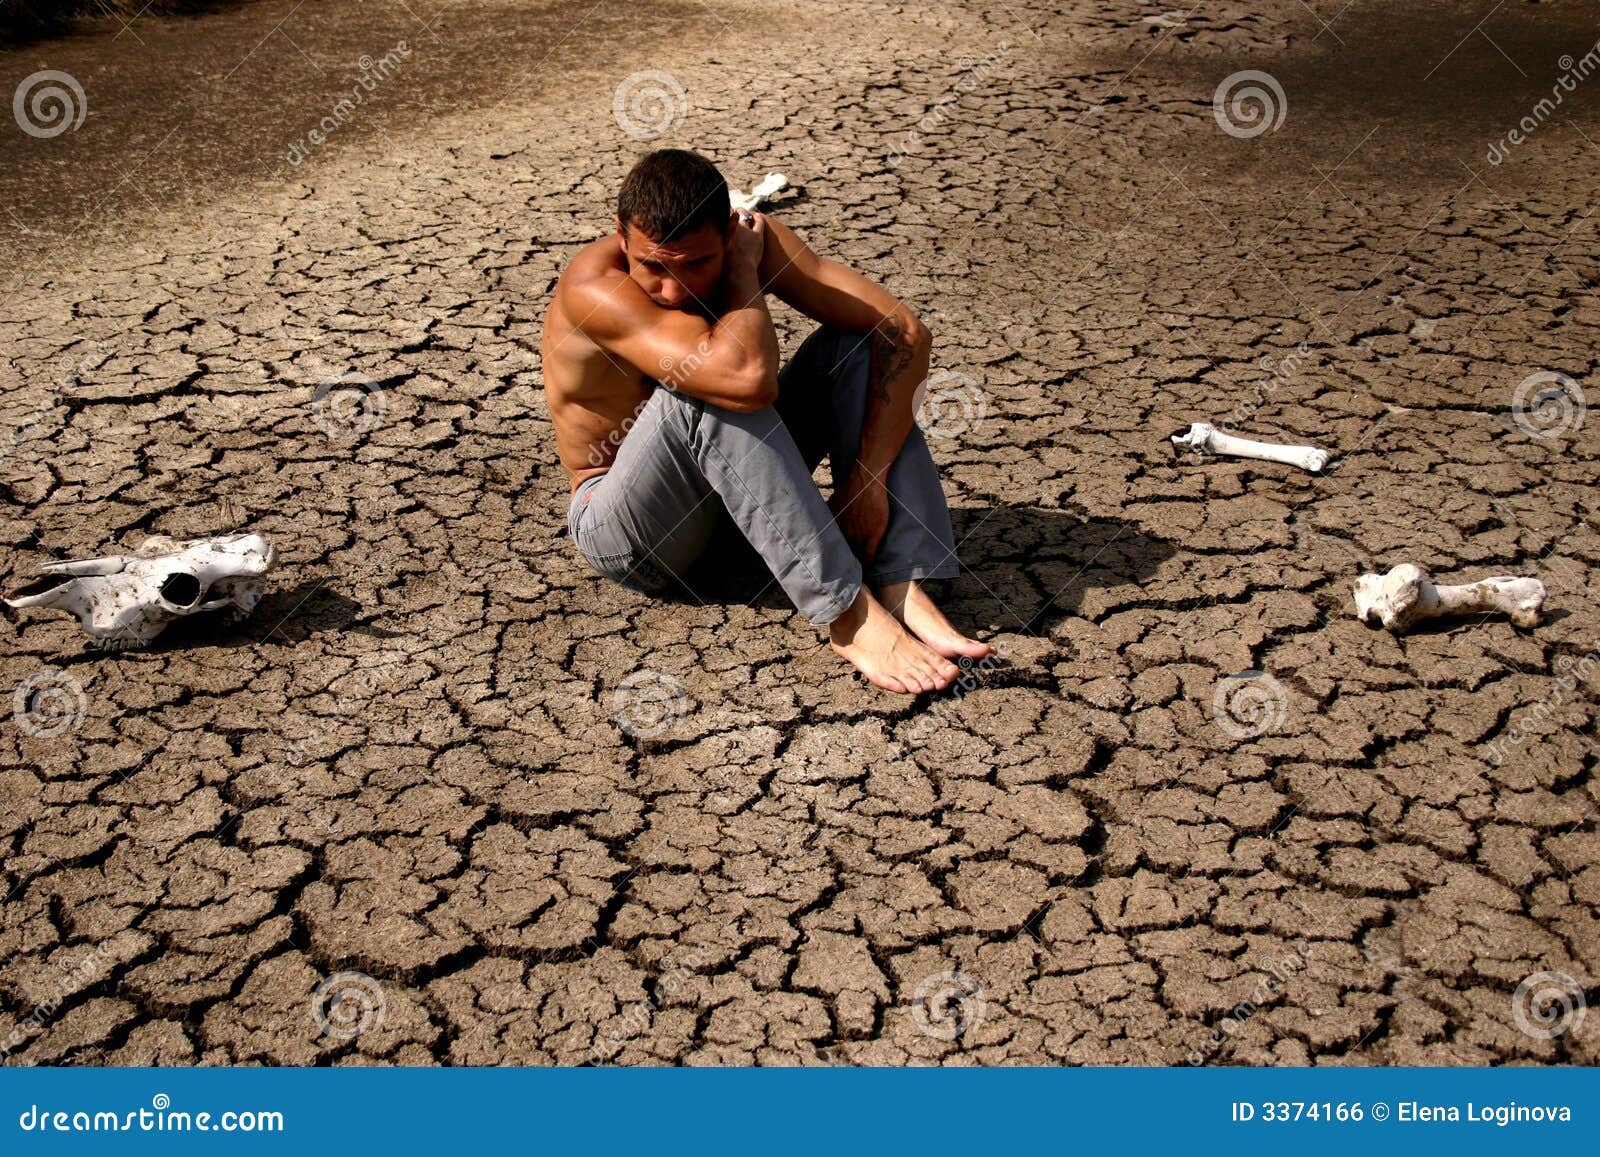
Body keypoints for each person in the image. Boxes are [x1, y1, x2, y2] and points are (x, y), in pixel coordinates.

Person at [540, 148, 993, 694]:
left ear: (731, 230)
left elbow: (904, 334)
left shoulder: (754, 237)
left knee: (859, 342)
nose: (672, 289)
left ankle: (895, 574)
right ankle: (848, 616)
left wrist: (866, 480)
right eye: (654, 265)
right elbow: (746, 379)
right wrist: (738, 276)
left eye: (698, 263)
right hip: (632, 531)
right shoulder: (595, 286)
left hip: (736, 509)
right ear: (620, 234)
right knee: (702, 388)